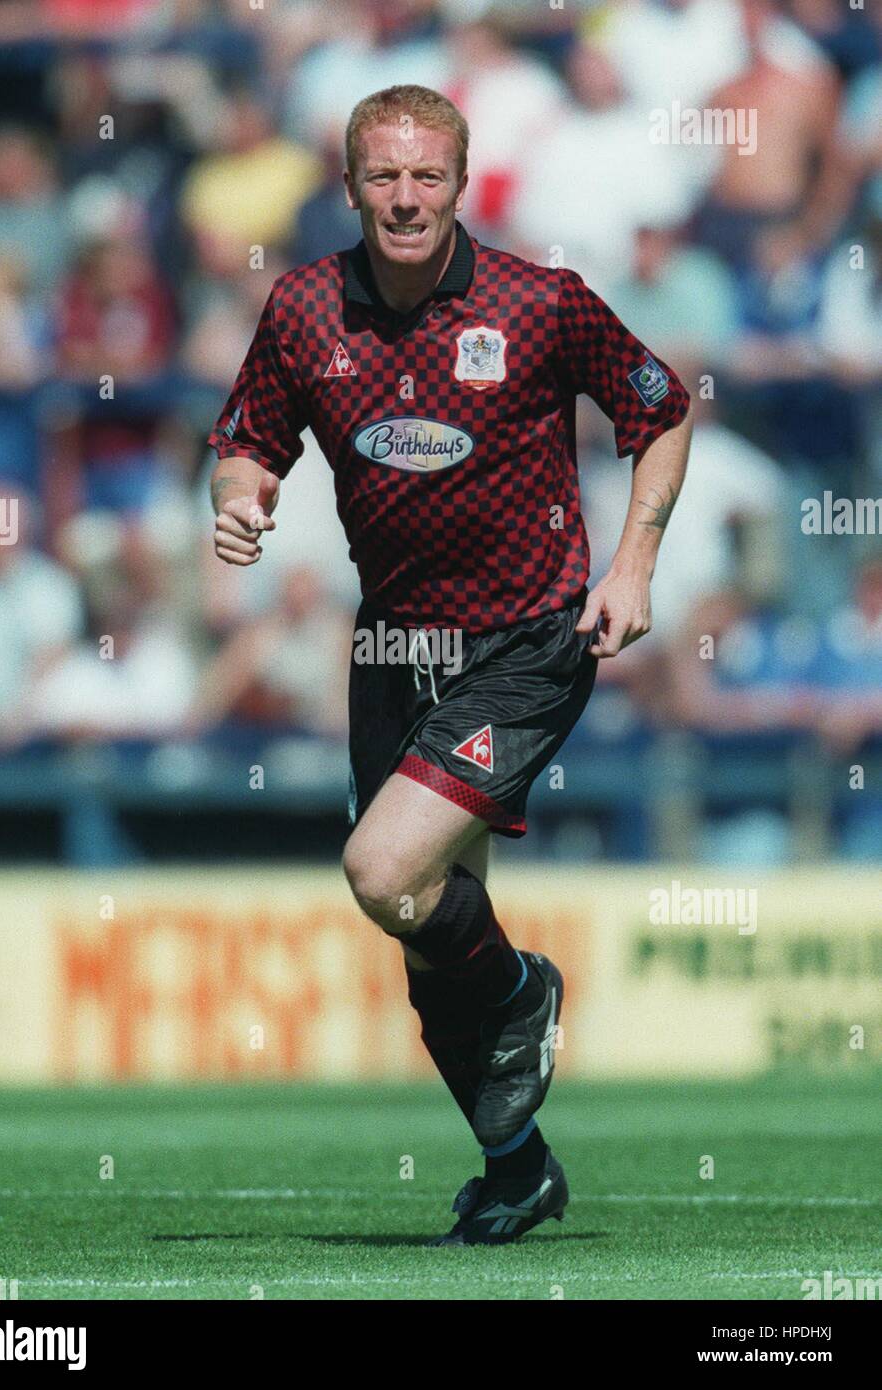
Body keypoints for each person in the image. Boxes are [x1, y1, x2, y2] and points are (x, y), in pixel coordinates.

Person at [207, 85, 693, 1245]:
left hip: (527, 639)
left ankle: (525, 991)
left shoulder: (538, 303)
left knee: (380, 870)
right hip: (392, 650)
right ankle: (516, 1167)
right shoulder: (303, 307)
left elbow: (660, 409)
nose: (405, 197)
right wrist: (242, 499)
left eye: (425, 175)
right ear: (348, 185)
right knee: (427, 930)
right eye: (382, 176)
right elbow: (246, 441)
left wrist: (630, 568)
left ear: (460, 180)